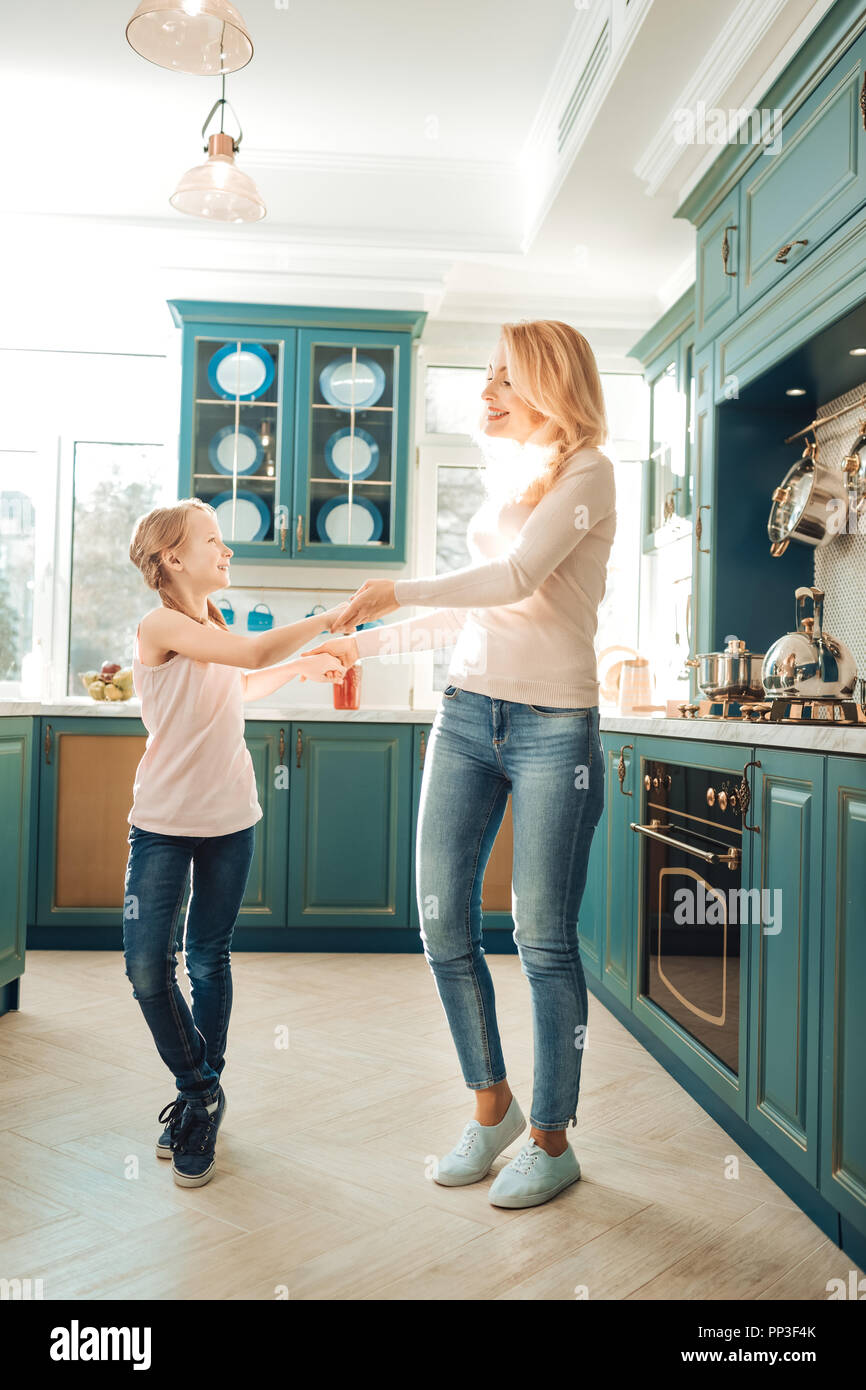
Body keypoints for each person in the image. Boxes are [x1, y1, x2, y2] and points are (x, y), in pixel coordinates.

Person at [306, 320, 617, 1209]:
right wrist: (370, 640)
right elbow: (480, 610)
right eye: (485, 376)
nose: (486, 393)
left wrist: (395, 588)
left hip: (557, 725)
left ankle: (553, 1140)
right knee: (441, 922)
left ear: (550, 384)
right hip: (466, 714)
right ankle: (494, 1110)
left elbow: (518, 577)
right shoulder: (510, 476)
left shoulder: (590, 469)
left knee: (543, 941)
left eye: (503, 379)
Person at [124, 497, 353, 1188]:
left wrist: (301, 669)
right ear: (173, 558)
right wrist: (334, 619)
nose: (228, 552)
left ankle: (198, 1102)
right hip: (163, 821)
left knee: (208, 957)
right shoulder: (160, 622)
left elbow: (238, 679)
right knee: (145, 968)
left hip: (230, 816)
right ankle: (201, 1091)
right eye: (215, 542)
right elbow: (253, 651)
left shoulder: (210, 618)